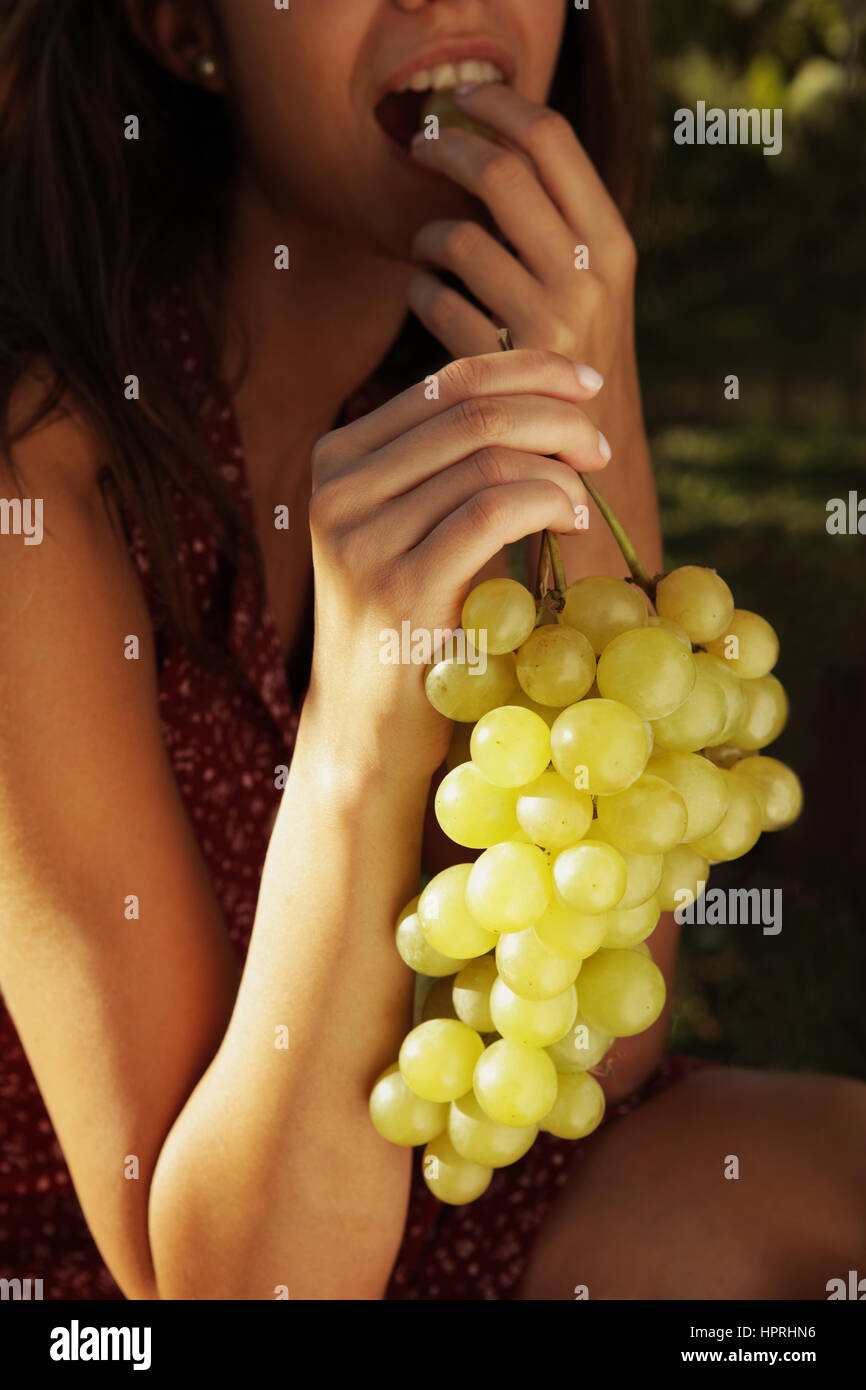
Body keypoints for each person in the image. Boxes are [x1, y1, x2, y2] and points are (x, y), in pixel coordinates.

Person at [0, 0, 863, 1302]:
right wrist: (363, 726)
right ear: (187, 31)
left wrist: (592, 395)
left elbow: (589, 1042)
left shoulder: (464, 396)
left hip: (426, 1188)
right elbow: (233, 1288)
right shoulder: (32, 488)